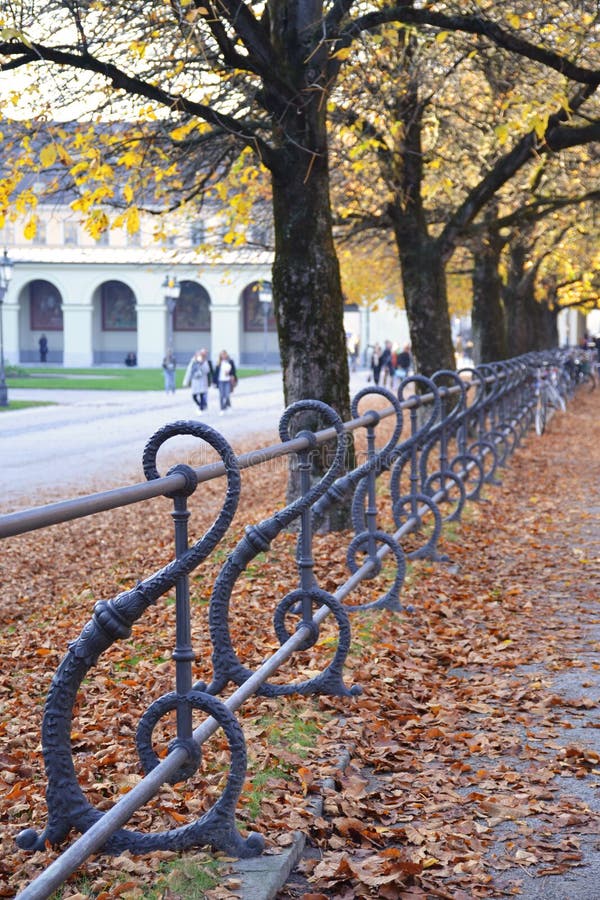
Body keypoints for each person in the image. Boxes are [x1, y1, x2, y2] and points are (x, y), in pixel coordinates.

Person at [183, 348, 213, 413]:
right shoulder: (193, 362)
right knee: (194, 396)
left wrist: (201, 364)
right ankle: (200, 405)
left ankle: (201, 408)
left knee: (202, 395)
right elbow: (189, 371)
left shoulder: (204, 362)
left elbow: (207, 370)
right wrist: (186, 382)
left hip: (202, 381)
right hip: (195, 381)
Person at [214, 349, 237, 414]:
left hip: (228, 381)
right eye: (222, 354)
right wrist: (214, 382)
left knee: (227, 395)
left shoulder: (230, 361)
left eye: (224, 354)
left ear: (226, 355)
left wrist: (229, 374)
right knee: (221, 396)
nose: (223, 356)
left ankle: (227, 406)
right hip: (220, 381)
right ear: (220, 356)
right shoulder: (219, 362)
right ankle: (222, 409)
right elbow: (216, 373)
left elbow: (234, 371)